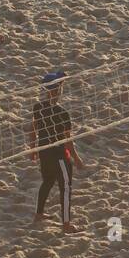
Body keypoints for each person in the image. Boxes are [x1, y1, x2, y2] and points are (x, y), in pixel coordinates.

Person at [28, 71, 85, 232]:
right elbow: (67, 140)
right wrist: (76, 158)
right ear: (54, 91)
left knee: (47, 181)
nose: (61, 90)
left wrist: (32, 149)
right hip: (59, 155)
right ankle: (66, 225)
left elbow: (32, 130)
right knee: (65, 187)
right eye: (59, 87)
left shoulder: (37, 108)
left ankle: (39, 214)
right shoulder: (62, 113)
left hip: (44, 152)